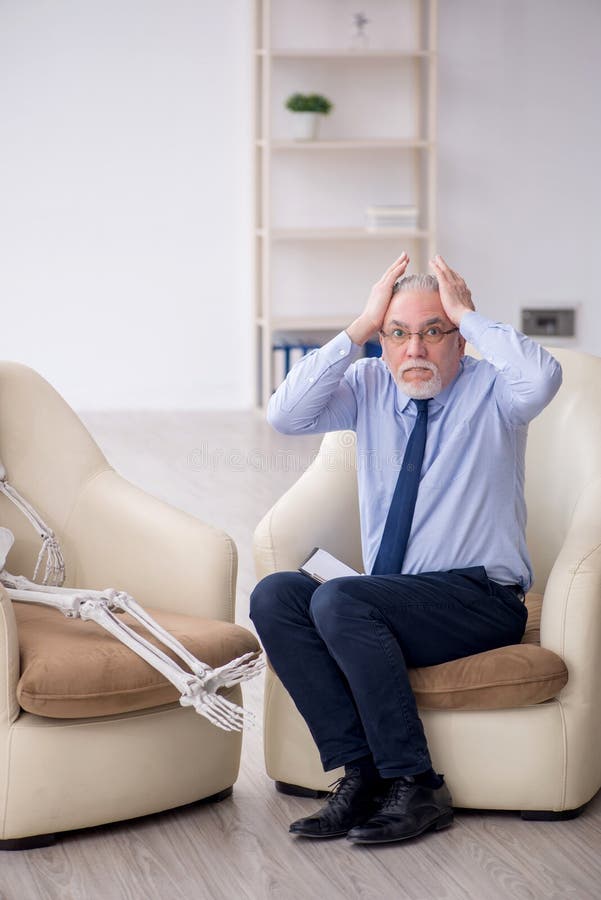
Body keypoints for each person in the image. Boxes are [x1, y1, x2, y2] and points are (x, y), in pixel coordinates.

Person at [250, 253, 562, 845]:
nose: (414, 350)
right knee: (276, 596)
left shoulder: (496, 391)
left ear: (458, 341)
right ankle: (361, 777)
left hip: (481, 599)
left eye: (432, 332)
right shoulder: (369, 385)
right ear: (383, 342)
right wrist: (358, 329)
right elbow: (284, 416)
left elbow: (543, 378)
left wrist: (469, 314)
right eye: (399, 334)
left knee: (343, 601)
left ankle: (417, 784)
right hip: (390, 602)